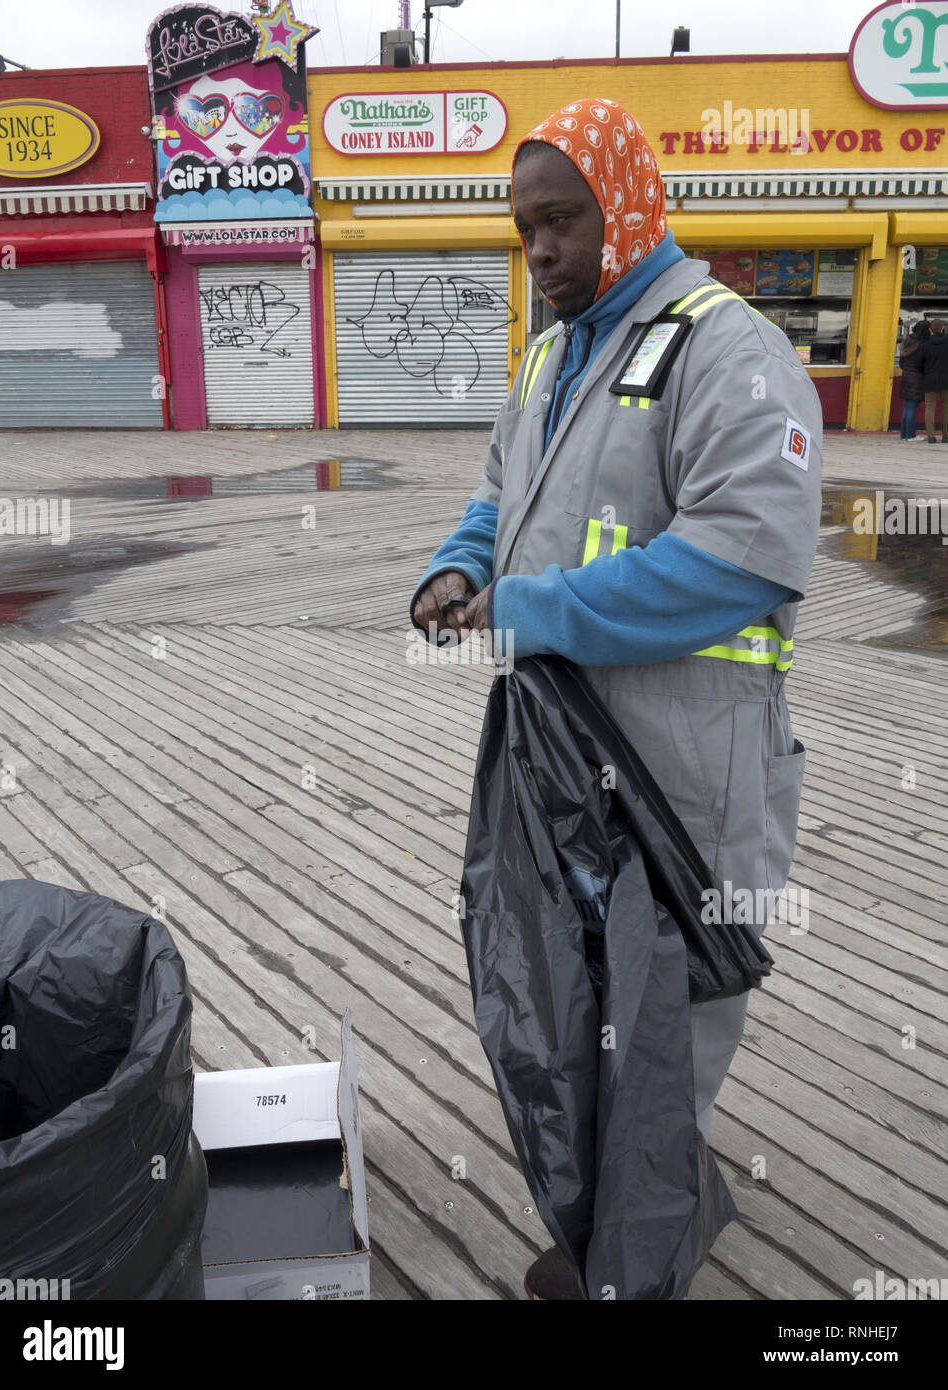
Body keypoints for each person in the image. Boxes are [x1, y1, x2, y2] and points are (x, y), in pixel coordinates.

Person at [410, 98, 823, 1300]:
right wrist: (459, 564)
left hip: (687, 765)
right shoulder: (549, 354)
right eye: (525, 227)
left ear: (627, 204)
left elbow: (747, 552)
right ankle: (641, 1218)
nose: (540, 250)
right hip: (564, 755)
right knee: (577, 992)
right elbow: (502, 497)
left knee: (663, 1019)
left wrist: (536, 610)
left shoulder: (724, 344)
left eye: (562, 221)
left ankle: (635, 1266)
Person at [913, 318, 948, 443]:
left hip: (929, 379)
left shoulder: (924, 345)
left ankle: (931, 436)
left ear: (930, 330)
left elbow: (918, 364)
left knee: (930, 408)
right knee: (946, 407)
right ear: (943, 328)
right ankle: (946, 436)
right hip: (946, 379)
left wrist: (925, 372)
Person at [898, 320, 930, 441]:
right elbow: (924, 364)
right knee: (912, 407)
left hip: (906, 376)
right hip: (917, 378)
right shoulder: (921, 345)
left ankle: (904, 435)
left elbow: (902, 363)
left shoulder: (907, 341)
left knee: (907, 407)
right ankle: (910, 435)